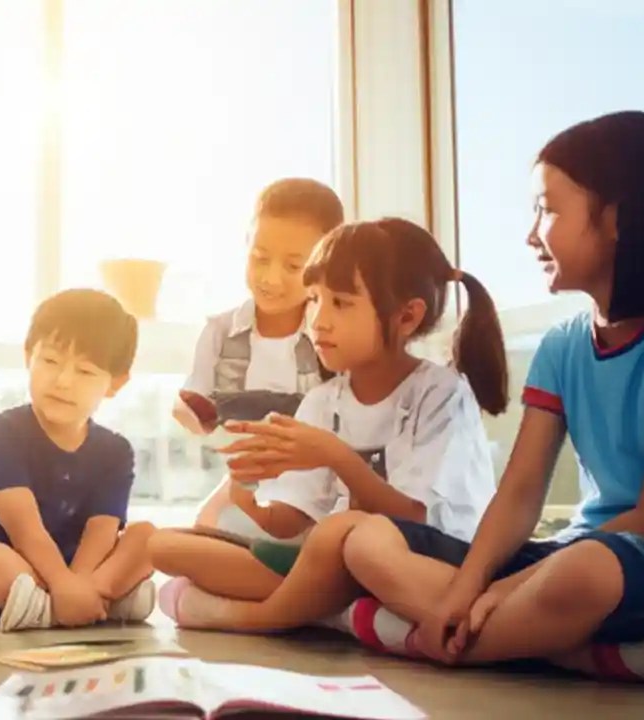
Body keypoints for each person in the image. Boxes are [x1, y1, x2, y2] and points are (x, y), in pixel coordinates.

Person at [337, 111, 644, 693]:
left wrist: (504, 590)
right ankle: (576, 651)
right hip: (574, 559)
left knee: (588, 571)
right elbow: (522, 490)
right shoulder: (563, 344)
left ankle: (430, 642)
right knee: (369, 539)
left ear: (619, 219)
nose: (531, 233)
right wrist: (471, 583)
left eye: (547, 209)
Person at [152, 218, 506, 630]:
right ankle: (344, 614)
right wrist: (246, 487)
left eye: (340, 302)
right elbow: (290, 522)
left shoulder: (441, 394)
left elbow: (414, 519)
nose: (318, 320)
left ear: (407, 317)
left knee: (348, 532)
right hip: (331, 563)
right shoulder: (323, 401)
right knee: (162, 545)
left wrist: (335, 456)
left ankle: (266, 617)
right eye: (315, 299)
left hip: (424, 561)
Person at [0, 289, 157, 632]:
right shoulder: (5, 432)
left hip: (80, 571)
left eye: (85, 372)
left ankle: (86, 598)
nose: (63, 382)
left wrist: (79, 582)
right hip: (16, 569)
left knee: (148, 537)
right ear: (28, 356)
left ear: (115, 383)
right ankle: (87, 605)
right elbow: (25, 530)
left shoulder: (115, 450)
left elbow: (101, 531)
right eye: (50, 361)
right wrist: (62, 583)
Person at [176, 178, 343, 539]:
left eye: (293, 266)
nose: (271, 278)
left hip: (318, 491)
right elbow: (191, 403)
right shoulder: (221, 331)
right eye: (260, 258)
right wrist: (196, 416)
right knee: (198, 538)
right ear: (245, 245)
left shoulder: (332, 336)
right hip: (244, 481)